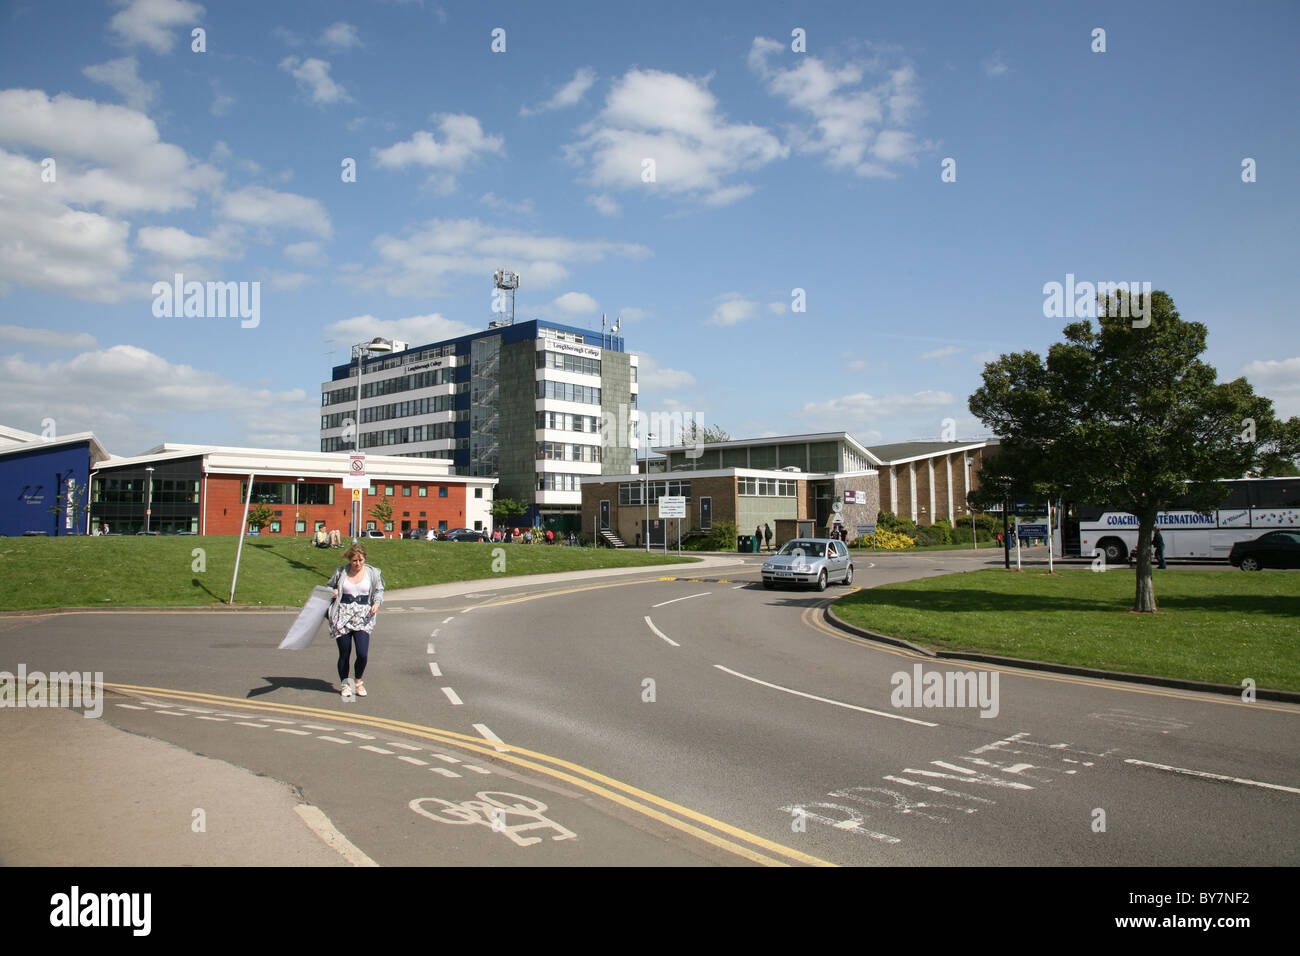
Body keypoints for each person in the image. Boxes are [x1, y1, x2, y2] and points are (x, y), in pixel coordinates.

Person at [327, 543, 384, 701]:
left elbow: (379, 590)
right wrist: (333, 591)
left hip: (363, 617)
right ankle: (346, 684)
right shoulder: (341, 572)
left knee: (362, 653)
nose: (357, 564)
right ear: (349, 560)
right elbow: (328, 587)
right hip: (342, 616)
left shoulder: (372, 573)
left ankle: (358, 681)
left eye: (360, 560)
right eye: (354, 561)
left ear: (365, 558)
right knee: (345, 653)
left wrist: (376, 603)